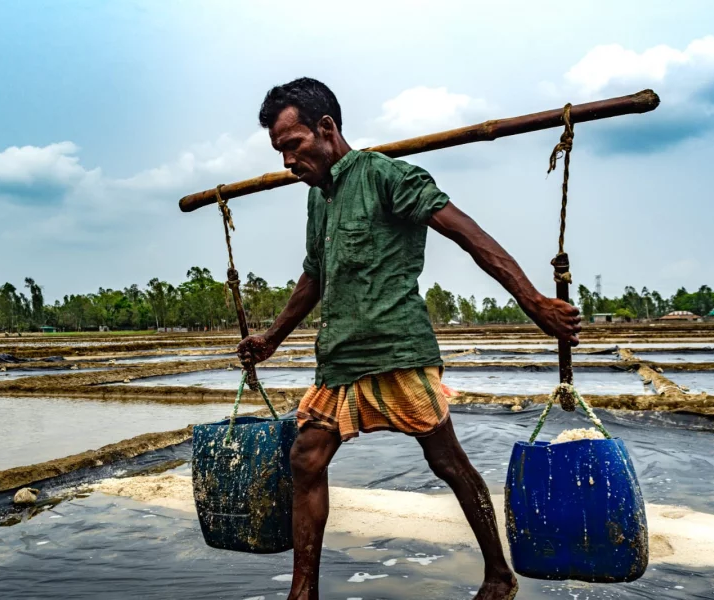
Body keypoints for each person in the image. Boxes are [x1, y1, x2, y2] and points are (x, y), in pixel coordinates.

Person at [237, 77, 581, 600]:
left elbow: (467, 234)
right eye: (280, 150)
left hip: (398, 353)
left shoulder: (387, 176)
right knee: (306, 458)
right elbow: (314, 276)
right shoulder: (318, 199)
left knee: (446, 463)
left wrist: (533, 301)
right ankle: (302, 591)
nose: (287, 162)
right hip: (341, 359)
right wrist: (271, 338)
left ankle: (498, 574)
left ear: (326, 129)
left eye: (293, 145)